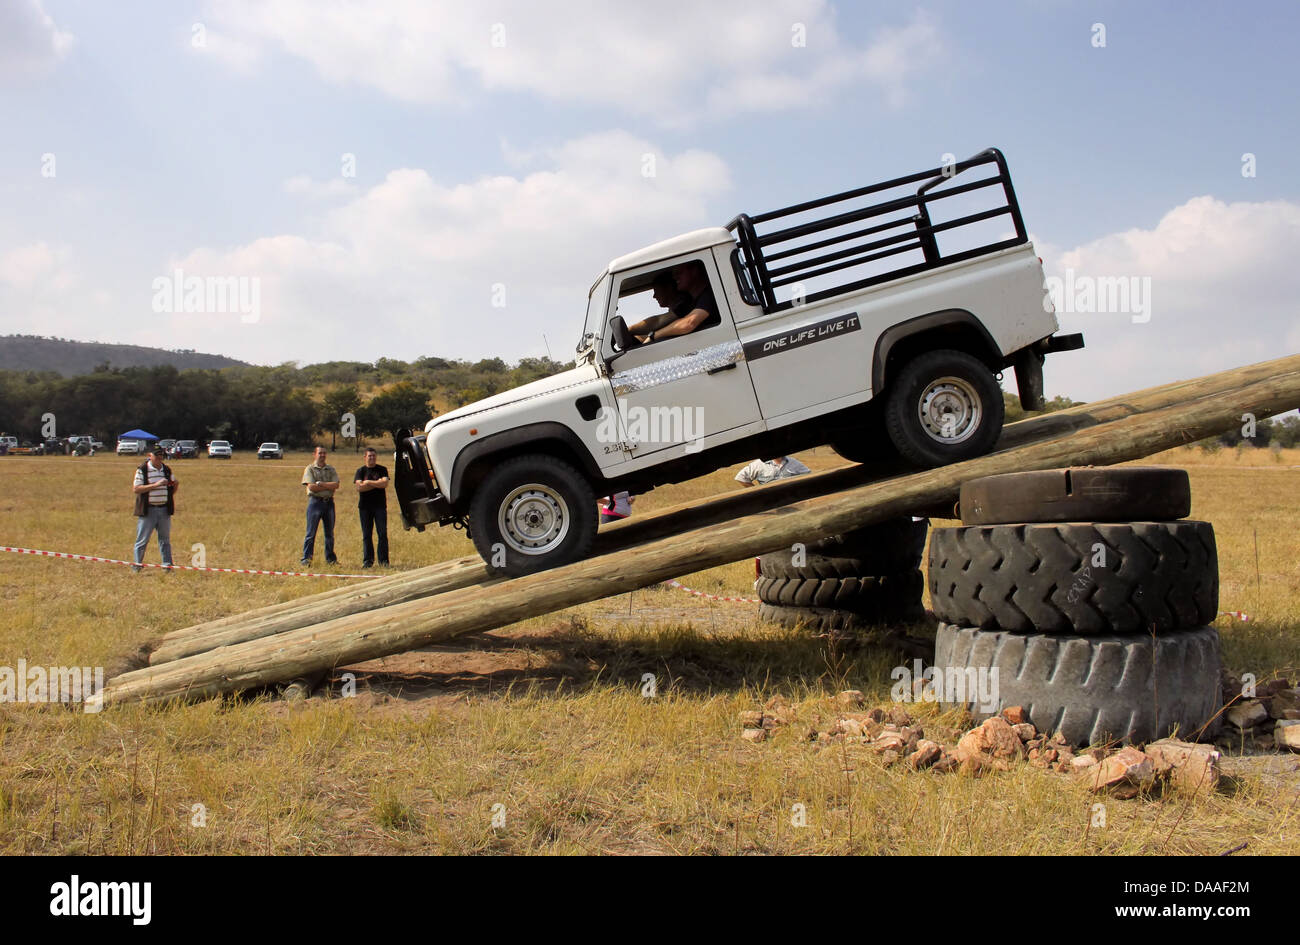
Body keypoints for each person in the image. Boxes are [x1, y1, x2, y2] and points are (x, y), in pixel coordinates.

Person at [627, 261, 720, 344]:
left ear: (694, 270)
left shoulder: (711, 295)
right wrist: (631, 331)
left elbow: (689, 323)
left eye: (679, 273)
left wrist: (654, 336)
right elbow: (659, 321)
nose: (675, 277)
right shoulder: (688, 302)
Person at [131, 444, 178, 572]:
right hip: (148, 510)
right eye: (156, 455)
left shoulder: (166, 470)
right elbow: (136, 489)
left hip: (164, 510)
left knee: (165, 540)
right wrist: (156, 485)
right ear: (149, 456)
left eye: (161, 455)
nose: (159, 458)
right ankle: (137, 565)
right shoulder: (142, 470)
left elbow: (173, 485)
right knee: (142, 540)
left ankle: (167, 566)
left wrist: (173, 487)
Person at [301, 446, 340, 565]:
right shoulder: (310, 469)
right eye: (320, 453)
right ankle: (306, 559)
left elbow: (336, 485)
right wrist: (328, 486)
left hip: (329, 503)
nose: (322, 455)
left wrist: (321, 484)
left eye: (324, 453)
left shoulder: (331, 469)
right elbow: (311, 487)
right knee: (310, 533)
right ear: (315, 454)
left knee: (329, 534)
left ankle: (330, 559)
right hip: (315, 503)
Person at [353, 446, 390, 567]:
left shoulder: (382, 469)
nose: (372, 458)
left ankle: (383, 561)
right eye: (369, 456)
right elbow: (359, 487)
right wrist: (376, 484)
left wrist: (368, 482)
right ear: (365, 457)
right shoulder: (360, 471)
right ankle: (368, 561)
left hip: (379, 507)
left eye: (374, 456)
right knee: (367, 535)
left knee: (382, 534)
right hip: (365, 507)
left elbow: (384, 483)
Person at [735, 455, 811, 487]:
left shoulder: (793, 462)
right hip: (769, 502)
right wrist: (757, 492)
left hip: (791, 499)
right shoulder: (759, 464)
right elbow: (740, 477)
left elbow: (808, 474)